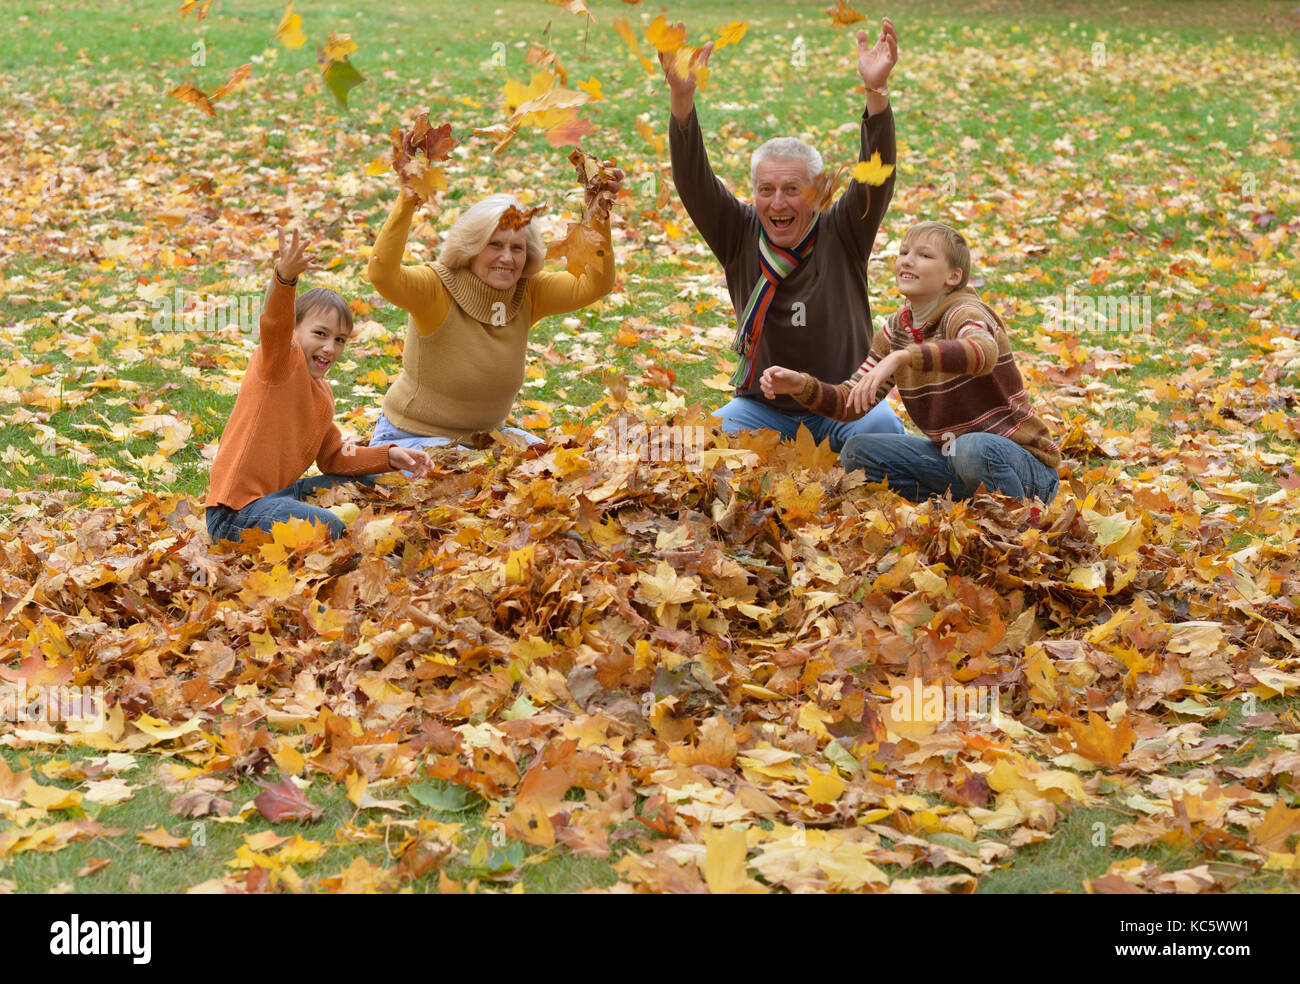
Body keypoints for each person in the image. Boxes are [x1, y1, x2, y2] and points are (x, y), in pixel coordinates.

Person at [664, 17, 906, 451]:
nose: (778, 203)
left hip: (845, 407)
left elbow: (877, 177)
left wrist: (876, 94)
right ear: (754, 192)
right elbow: (694, 182)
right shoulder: (738, 231)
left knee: (883, 443)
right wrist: (682, 100)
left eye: (792, 190)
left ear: (815, 195)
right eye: (766, 190)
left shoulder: (844, 230)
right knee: (703, 449)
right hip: (763, 411)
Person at [761, 221, 1061, 503]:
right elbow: (851, 402)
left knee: (973, 448)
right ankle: (957, 514)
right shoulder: (896, 331)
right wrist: (801, 385)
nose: (907, 260)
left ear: (952, 277)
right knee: (859, 451)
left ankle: (1017, 526)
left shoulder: (964, 312)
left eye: (924, 255)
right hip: (952, 459)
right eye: (903, 252)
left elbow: (983, 352)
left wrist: (905, 357)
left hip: (1023, 466)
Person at [366, 131, 622, 453]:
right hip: (411, 439)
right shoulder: (436, 287)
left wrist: (598, 212)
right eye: (495, 244)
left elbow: (594, 284)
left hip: (483, 439)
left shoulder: (527, 292)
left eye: (517, 248)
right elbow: (381, 274)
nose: (507, 258)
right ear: (471, 248)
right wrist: (407, 200)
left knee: (557, 466)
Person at [205, 228, 432, 544]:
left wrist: (389, 455)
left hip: (280, 500)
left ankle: (388, 537)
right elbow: (274, 323)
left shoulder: (322, 395)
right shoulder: (279, 364)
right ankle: (350, 554)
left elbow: (334, 457)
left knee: (371, 483)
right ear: (294, 332)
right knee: (328, 526)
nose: (330, 348)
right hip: (235, 514)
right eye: (320, 334)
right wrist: (284, 279)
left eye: (339, 340)